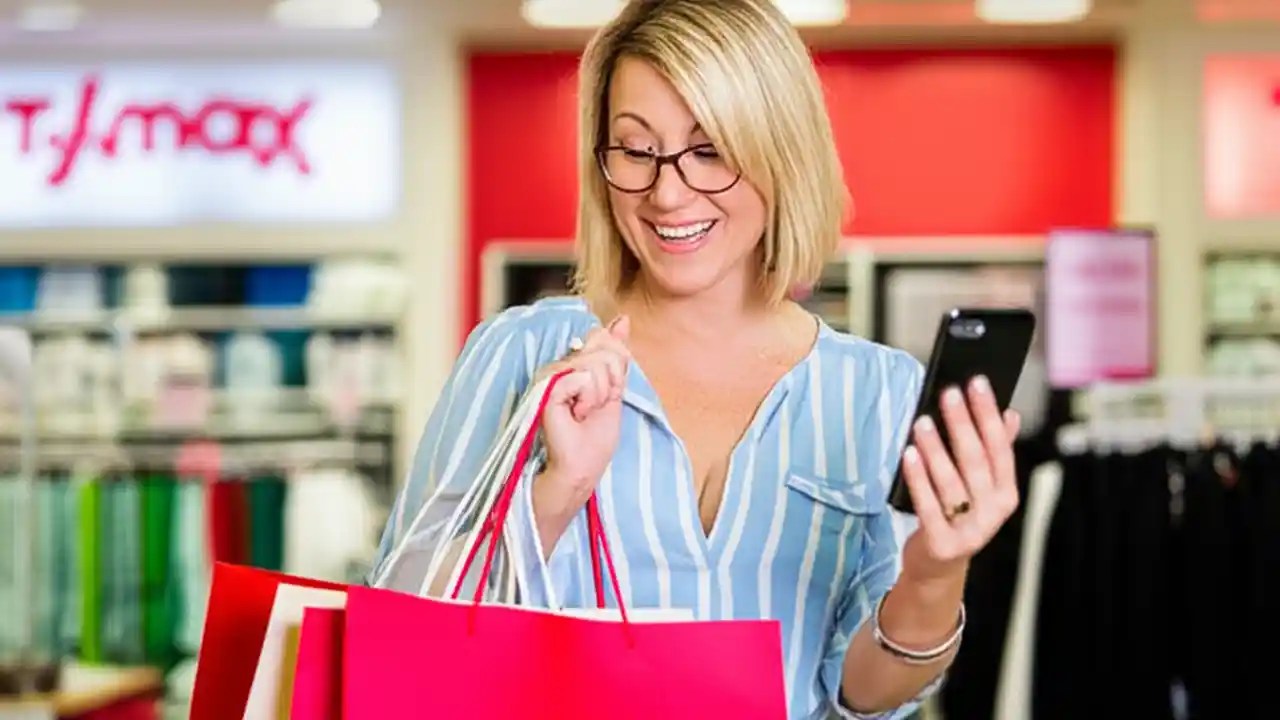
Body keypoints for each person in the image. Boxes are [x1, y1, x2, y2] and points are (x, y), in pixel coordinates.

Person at [370, 0, 1021, 717]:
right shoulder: (525, 354)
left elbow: (862, 694)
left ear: (779, 152)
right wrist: (557, 492)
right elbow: (396, 632)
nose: (668, 191)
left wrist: (936, 571)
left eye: (709, 149)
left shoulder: (878, 393)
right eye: (636, 149)